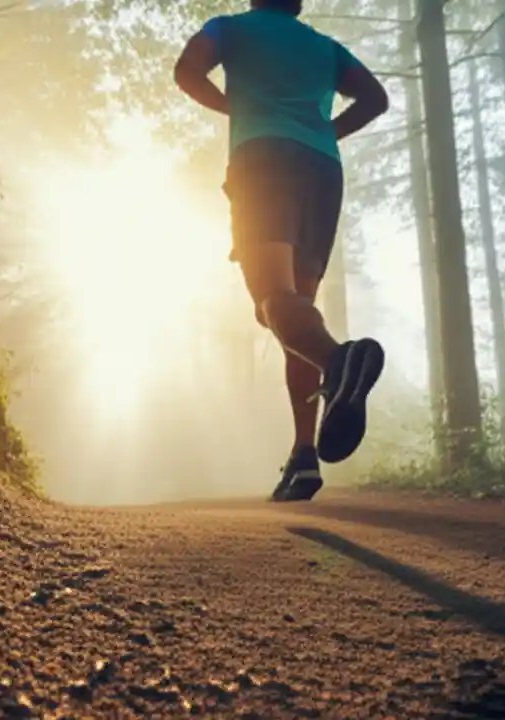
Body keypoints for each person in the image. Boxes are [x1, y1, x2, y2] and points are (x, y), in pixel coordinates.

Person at [174, 0, 390, 502]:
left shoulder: (229, 28)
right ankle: (304, 455)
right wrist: (323, 131)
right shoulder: (324, 47)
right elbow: (376, 99)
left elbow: (187, 72)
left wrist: (235, 107)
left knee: (273, 302)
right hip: (321, 169)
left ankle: (340, 362)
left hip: (263, 161)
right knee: (298, 311)